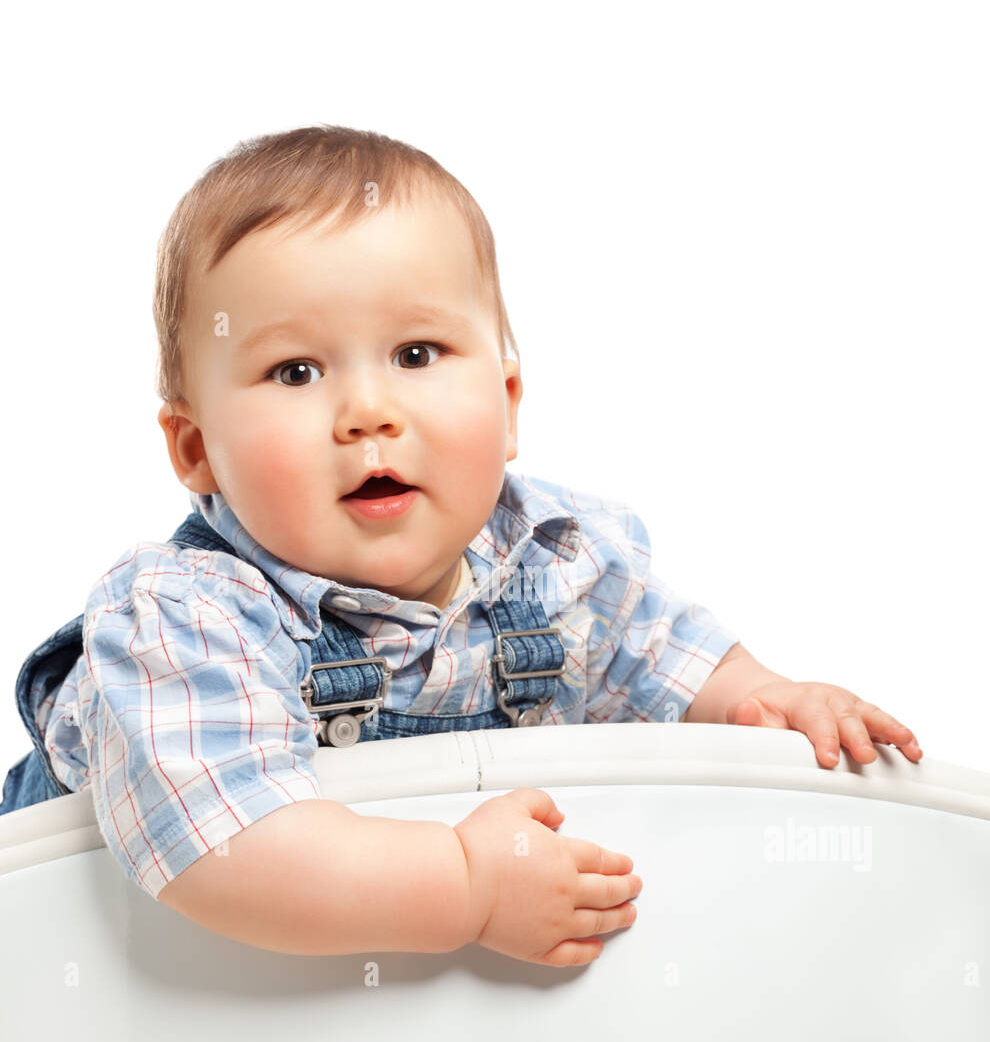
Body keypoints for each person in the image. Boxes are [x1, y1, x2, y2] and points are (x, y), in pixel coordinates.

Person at [0, 125, 921, 967]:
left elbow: (674, 663)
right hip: (86, 1001)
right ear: (196, 449)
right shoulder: (184, 619)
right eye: (296, 370)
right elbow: (228, 848)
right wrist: (465, 886)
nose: (369, 413)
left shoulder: (555, 563)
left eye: (417, 354)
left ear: (510, 404)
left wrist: (770, 702)